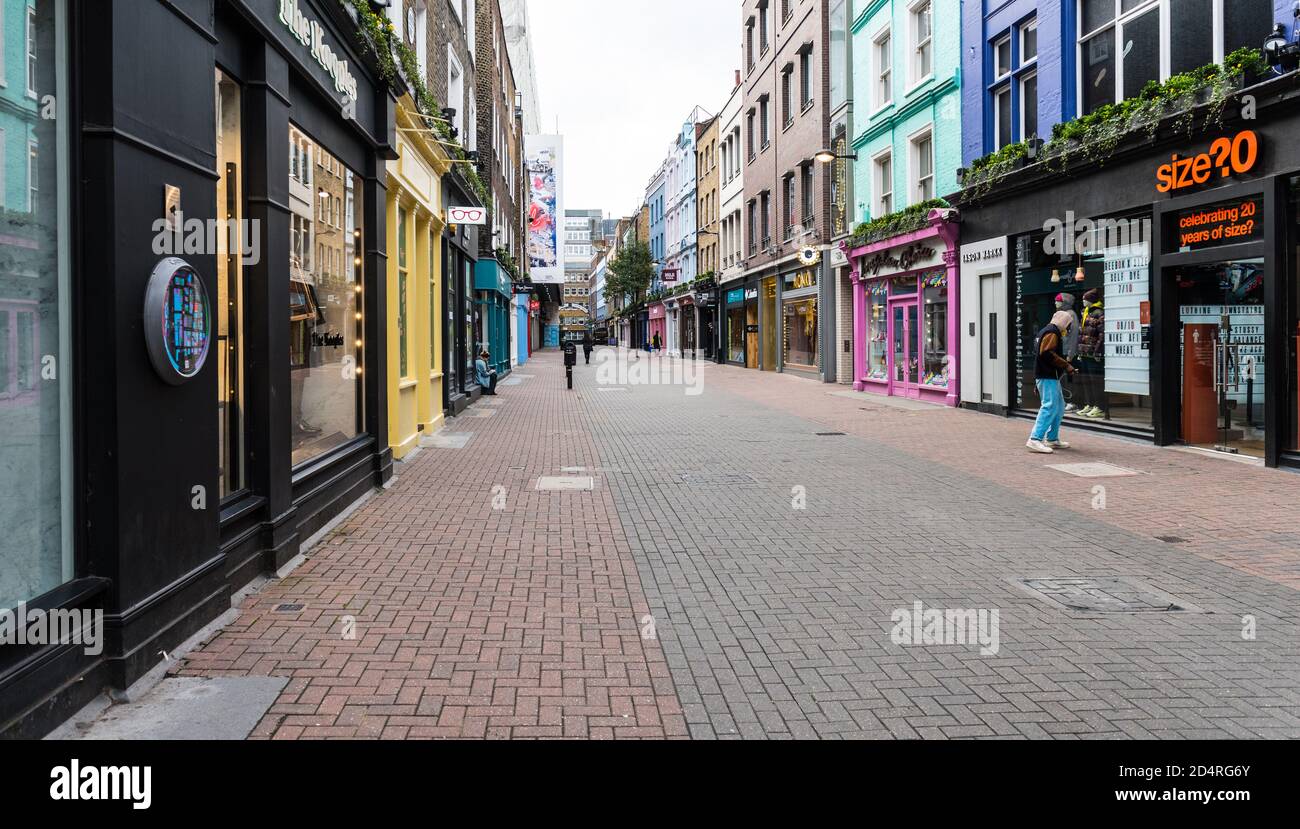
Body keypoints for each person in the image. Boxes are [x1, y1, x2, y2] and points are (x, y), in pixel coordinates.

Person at [1027, 310, 1078, 454]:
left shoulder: (1045, 331)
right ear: (1063, 322)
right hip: (1048, 375)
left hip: (1046, 375)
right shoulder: (1052, 332)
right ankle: (1035, 439)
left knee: (1059, 406)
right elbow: (1047, 353)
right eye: (1068, 324)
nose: (1068, 328)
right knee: (1049, 406)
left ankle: (1052, 438)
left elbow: (1039, 355)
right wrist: (1066, 365)